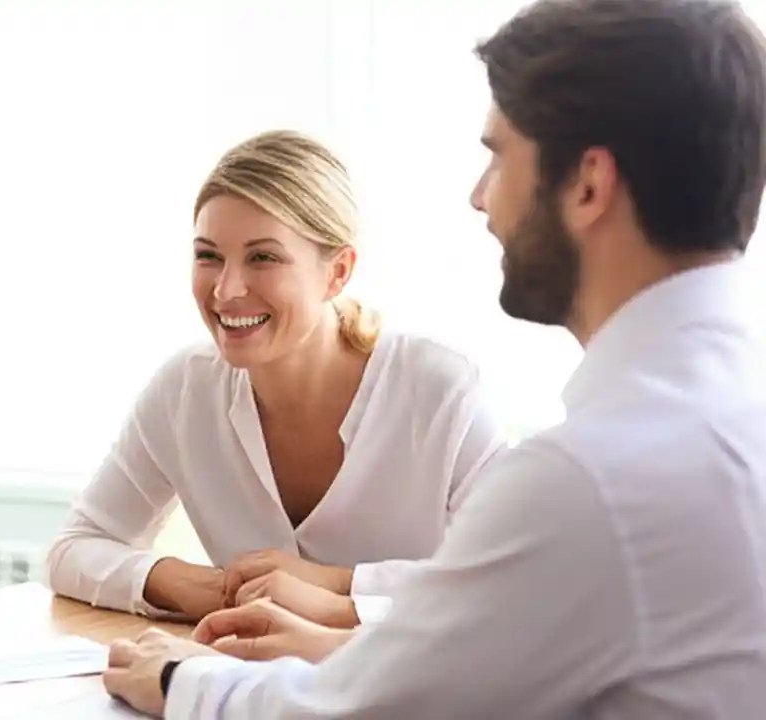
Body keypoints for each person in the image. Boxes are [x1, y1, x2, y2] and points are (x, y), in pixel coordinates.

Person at [101, 0, 766, 717]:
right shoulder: (723, 427)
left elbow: (371, 710)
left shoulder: (592, 481)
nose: (480, 198)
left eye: (498, 154)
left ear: (587, 185)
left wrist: (179, 681)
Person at [46, 129, 508, 629]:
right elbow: (74, 548)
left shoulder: (438, 389)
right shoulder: (185, 391)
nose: (226, 289)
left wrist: (333, 585)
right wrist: (177, 580)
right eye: (208, 256)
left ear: (337, 272)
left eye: (263, 257)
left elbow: (510, 578)